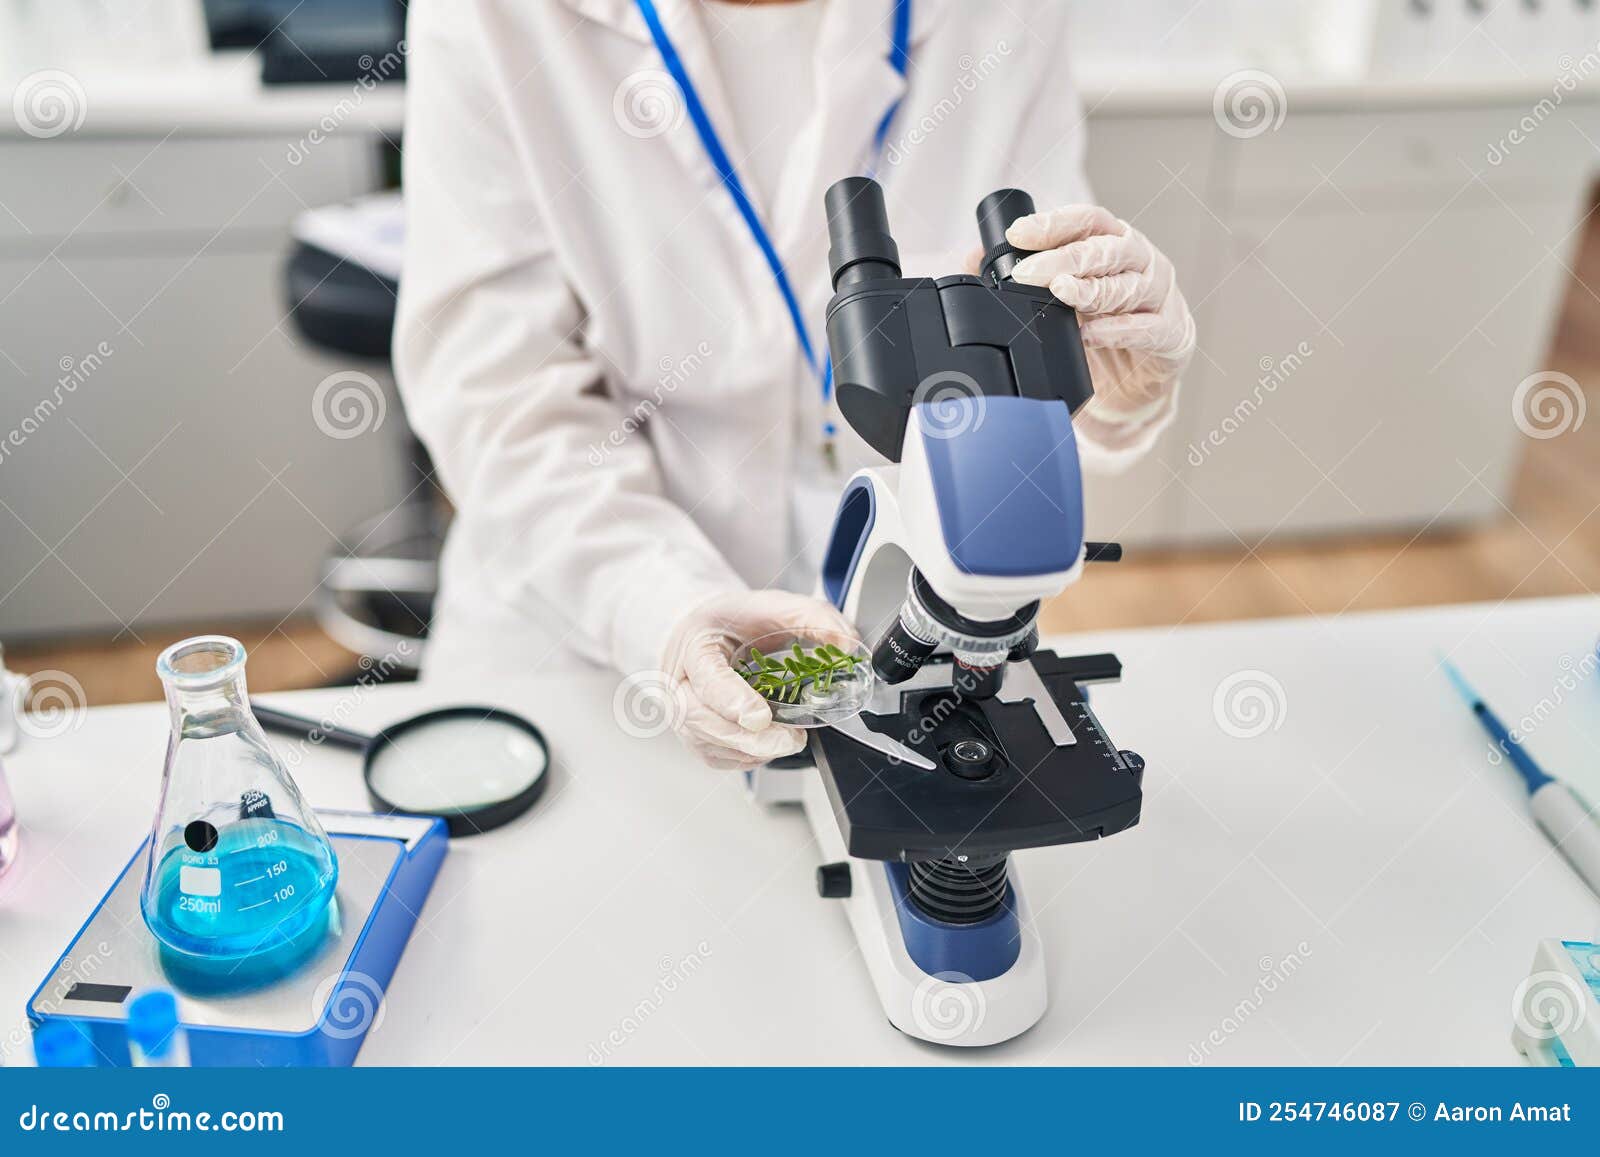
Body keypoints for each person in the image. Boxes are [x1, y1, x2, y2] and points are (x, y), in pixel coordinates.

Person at [395, 0, 1195, 771]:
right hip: (585, 623)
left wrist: (1104, 385)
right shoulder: (491, 14)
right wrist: (659, 613)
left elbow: (1028, 329)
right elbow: (503, 402)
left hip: (910, 620)